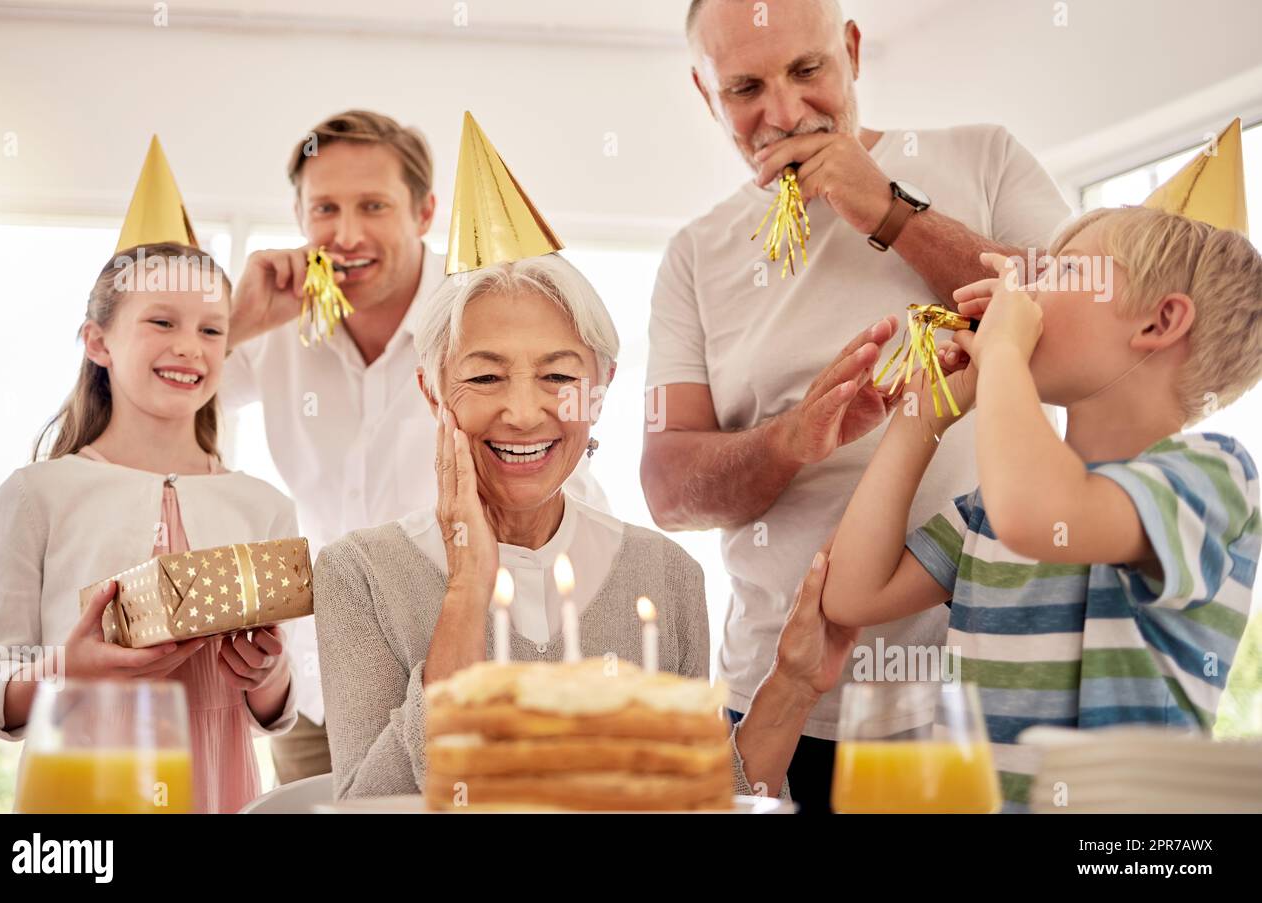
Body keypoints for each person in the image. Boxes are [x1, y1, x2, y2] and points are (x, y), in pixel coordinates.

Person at [314, 117, 859, 803]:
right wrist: (466, 589)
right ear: (431, 391)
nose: (522, 411)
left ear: (598, 392)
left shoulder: (666, 575)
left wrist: (793, 682)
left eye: (558, 377)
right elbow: (372, 804)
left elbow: (702, 795)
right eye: (484, 378)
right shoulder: (358, 575)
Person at [640, 0, 1072, 810]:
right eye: (744, 88)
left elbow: (1081, 328)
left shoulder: (984, 158)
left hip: (990, 690)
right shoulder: (694, 257)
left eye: (808, 70)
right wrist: (790, 440)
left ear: (852, 50)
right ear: (706, 96)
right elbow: (668, 486)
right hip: (783, 701)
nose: (785, 112)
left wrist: (891, 213)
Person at [820, 199, 1262, 811]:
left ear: (1160, 323)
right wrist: (924, 420)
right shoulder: (992, 507)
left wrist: (1002, 353)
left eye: (1065, 273)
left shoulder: (1214, 476)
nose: (1027, 292)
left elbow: (1046, 515)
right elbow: (851, 594)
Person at [221, 110, 605, 784]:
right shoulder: (276, 326)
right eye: (325, 208)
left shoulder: (478, 319)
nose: (345, 235)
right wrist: (237, 324)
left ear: (425, 212)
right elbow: (160, 411)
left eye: (373, 206)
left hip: (468, 659)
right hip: (321, 686)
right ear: (297, 214)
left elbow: (563, 474)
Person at [0, 204, 299, 811]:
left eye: (212, 330)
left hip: (221, 794)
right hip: (83, 797)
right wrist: (69, 669)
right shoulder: (34, 496)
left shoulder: (264, 506)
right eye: (162, 322)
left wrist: (266, 676)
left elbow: (273, 709)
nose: (190, 348)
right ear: (98, 342)